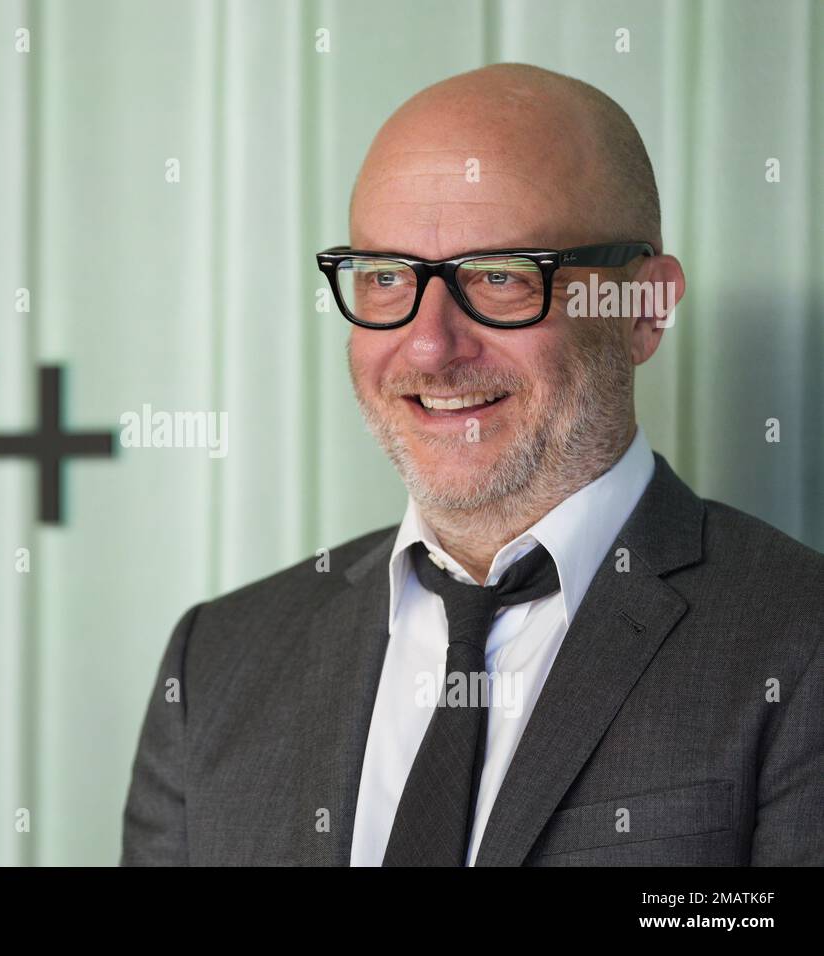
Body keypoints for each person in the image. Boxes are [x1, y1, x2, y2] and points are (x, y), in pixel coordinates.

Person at [120, 63, 824, 866]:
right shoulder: (216, 664)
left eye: (500, 275)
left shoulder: (799, 645)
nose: (430, 345)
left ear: (644, 308)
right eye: (387, 277)